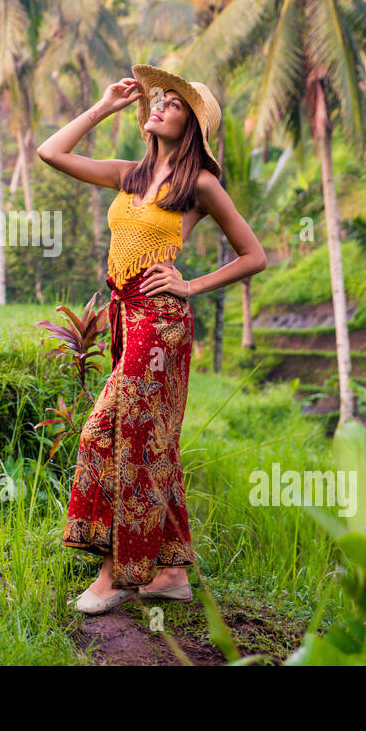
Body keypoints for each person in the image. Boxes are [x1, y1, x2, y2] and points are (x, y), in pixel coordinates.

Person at [36, 65, 268, 615]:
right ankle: (170, 571)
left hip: (161, 324)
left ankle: (117, 574)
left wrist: (191, 284)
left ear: (191, 125)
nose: (160, 105)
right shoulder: (130, 176)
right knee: (151, 442)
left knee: (108, 436)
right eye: (159, 99)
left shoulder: (200, 187)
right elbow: (51, 152)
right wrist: (104, 107)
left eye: (175, 103)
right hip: (125, 317)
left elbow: (255, 255)